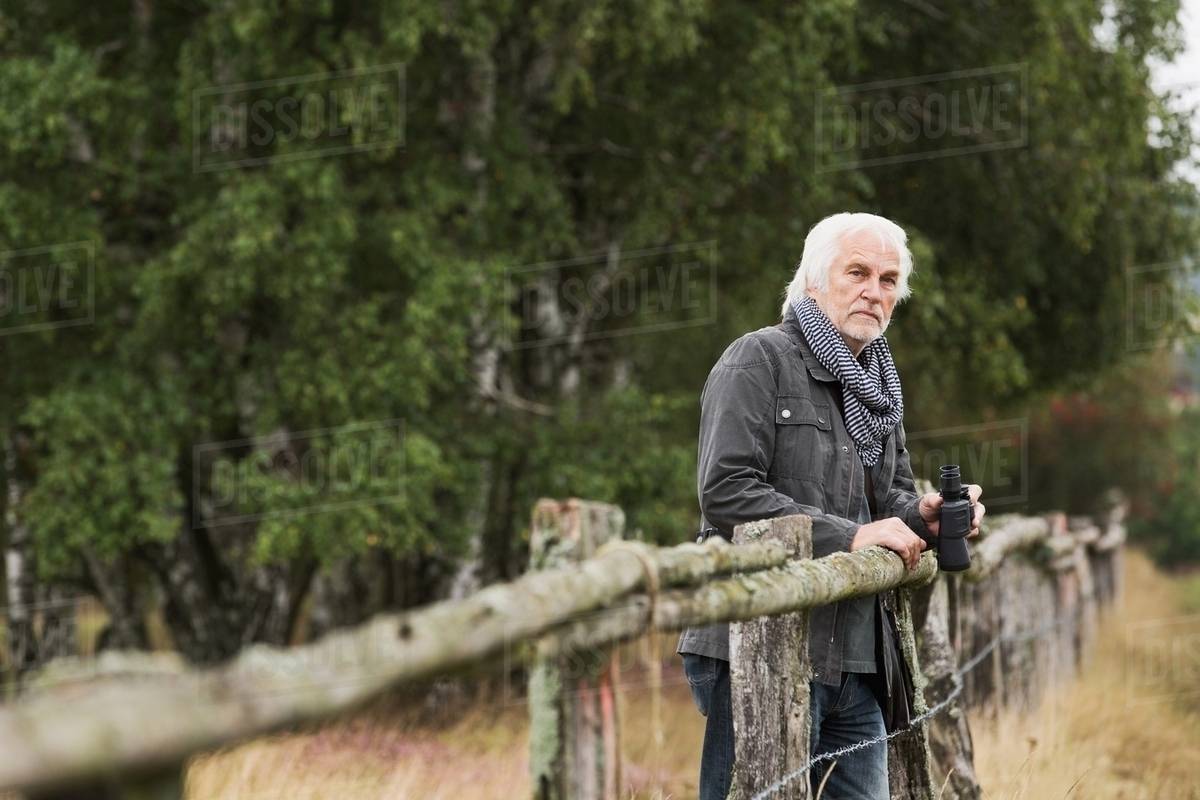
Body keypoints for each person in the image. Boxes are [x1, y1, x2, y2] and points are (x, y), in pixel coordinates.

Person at [676, 212, 985, 800]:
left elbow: (887, 498)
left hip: (858, 657)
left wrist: (927, 514)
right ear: (814, 282)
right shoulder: (757, 360)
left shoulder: (879, 384)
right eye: (859, 272)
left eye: (889, 279)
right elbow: (725, 491)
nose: (875, 291)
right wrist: (851, 537)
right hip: (759, 643)